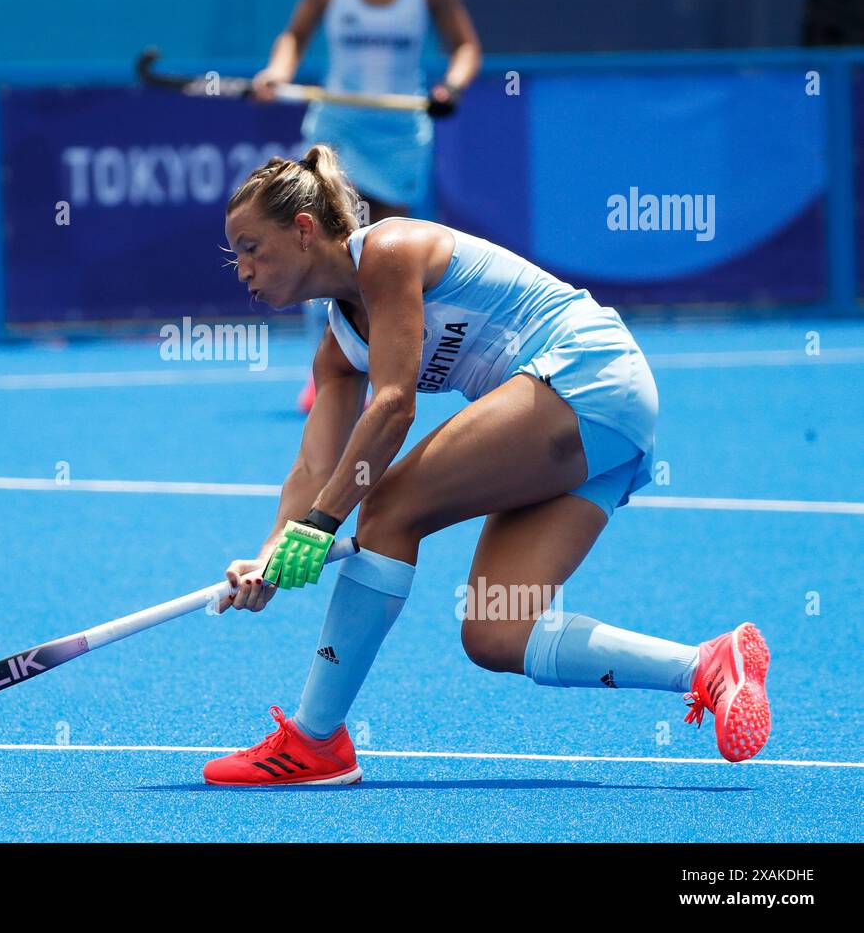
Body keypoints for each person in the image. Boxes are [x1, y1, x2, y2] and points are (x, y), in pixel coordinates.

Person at [204, 145, 771, 786]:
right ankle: (706, 666)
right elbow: (313, 468)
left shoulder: (386, 252)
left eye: (251, 247)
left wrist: (319, 526)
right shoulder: (337, 352)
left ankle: (312, 742)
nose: (242, 269)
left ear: (304, 230)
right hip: (590, 431)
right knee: (499, 630)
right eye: (235, 256)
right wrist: (272, 552)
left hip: (585, 374)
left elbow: (393, 408)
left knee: (388, 507)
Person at [251, 0, 482, 413]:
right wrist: (277, 71)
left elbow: (466, 46)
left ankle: (385, 365)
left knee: (384, 255)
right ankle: (324, 367)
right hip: (338, 131)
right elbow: (294, 37)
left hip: (399, 135)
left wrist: (455, 84)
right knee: (328, 243)